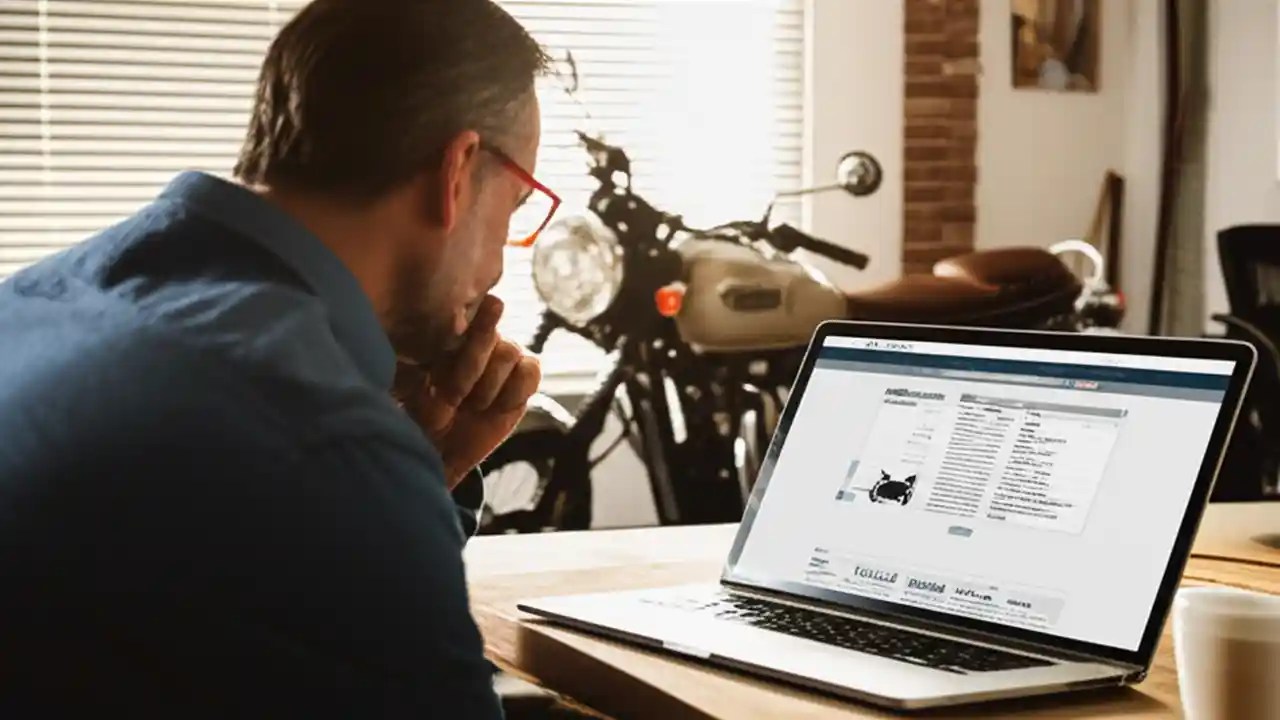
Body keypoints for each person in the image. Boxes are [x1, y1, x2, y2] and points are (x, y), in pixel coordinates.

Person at [0, 0, 551, 715]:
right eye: (514, 209)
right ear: (458, 170)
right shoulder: (318, 440)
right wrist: (382, 480)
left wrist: (420, 468)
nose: (498, 271)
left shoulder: (33, 301)